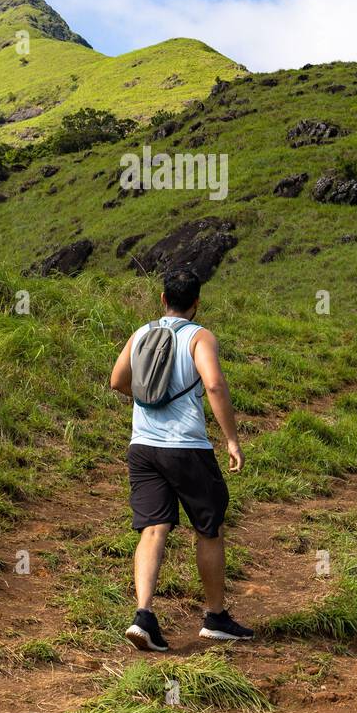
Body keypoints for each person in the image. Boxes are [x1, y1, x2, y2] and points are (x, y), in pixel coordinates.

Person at [109, 265, 253, 652]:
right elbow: (214, 384)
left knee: (152, 529)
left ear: (162, 299)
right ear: (196, 303)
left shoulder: (140, 333)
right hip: (187, 448)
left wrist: (149, 402)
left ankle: (143, 616)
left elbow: (117, 381)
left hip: (142, 447)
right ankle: (215, 617)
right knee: (208, 528)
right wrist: (232, 440)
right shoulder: (199, 337)